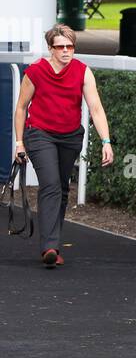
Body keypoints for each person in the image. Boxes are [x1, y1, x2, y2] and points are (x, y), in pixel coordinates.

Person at [13, 23, 114, 266]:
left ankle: (54, 245)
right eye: (61, 47)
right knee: (50, 185)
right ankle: (49, 247)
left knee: (62, 189)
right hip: (39, 134)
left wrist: (106, 141)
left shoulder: (82, 71)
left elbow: (96, 108)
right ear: (51, 48)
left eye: (71, 46)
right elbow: (21, 108)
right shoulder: (35, 71)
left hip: (70, 136)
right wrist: (19, 143)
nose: (67, 51)